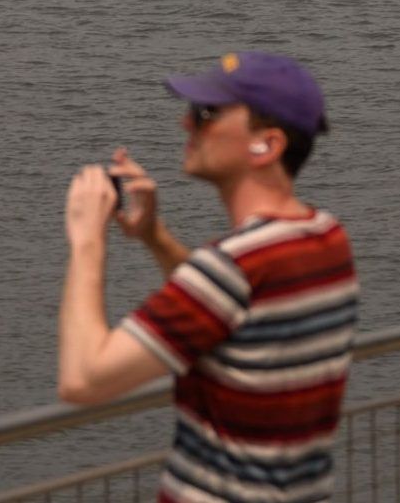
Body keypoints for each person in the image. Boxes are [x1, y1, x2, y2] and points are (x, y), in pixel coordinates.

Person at [57, 51, 358, 503]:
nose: (186, 124)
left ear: (266, 145)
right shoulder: (326, 238)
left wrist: (86, 241)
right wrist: (154, 236)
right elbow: (231, 314)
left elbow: (83, 379)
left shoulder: (232, 267)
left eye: (206, 114)